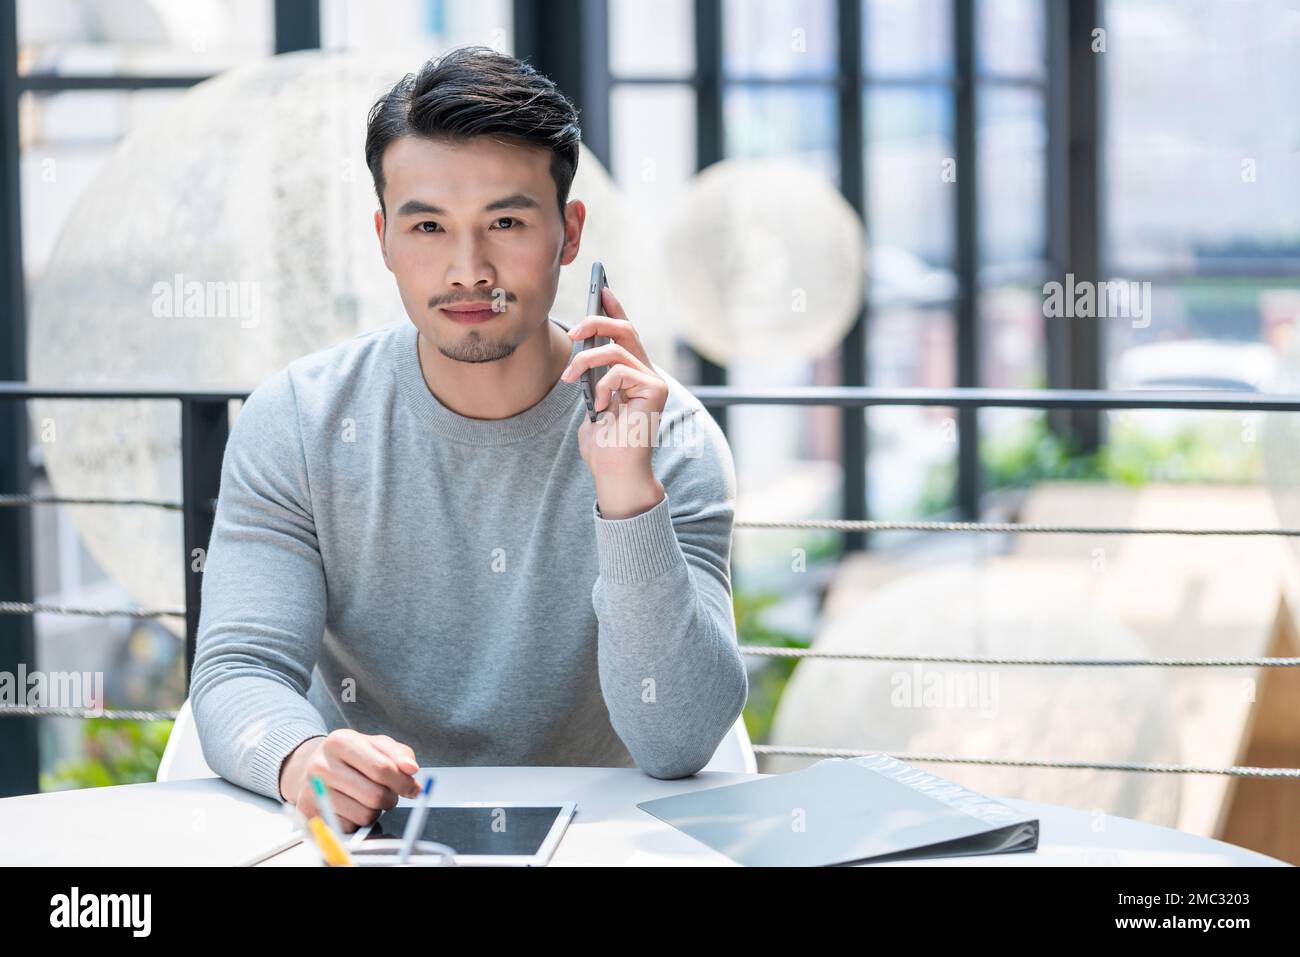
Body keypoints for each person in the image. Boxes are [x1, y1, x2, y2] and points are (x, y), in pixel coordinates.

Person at [190, 46, 747, 832]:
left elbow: (680, 737)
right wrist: (299, 757)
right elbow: (238, 669)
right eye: (428, 225)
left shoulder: (669, 436)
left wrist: (627, 495)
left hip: (601, 846)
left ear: (569, 231)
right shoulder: (299, 421)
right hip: (378, 839)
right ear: (384, 237)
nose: (468, 268)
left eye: (507, 222)